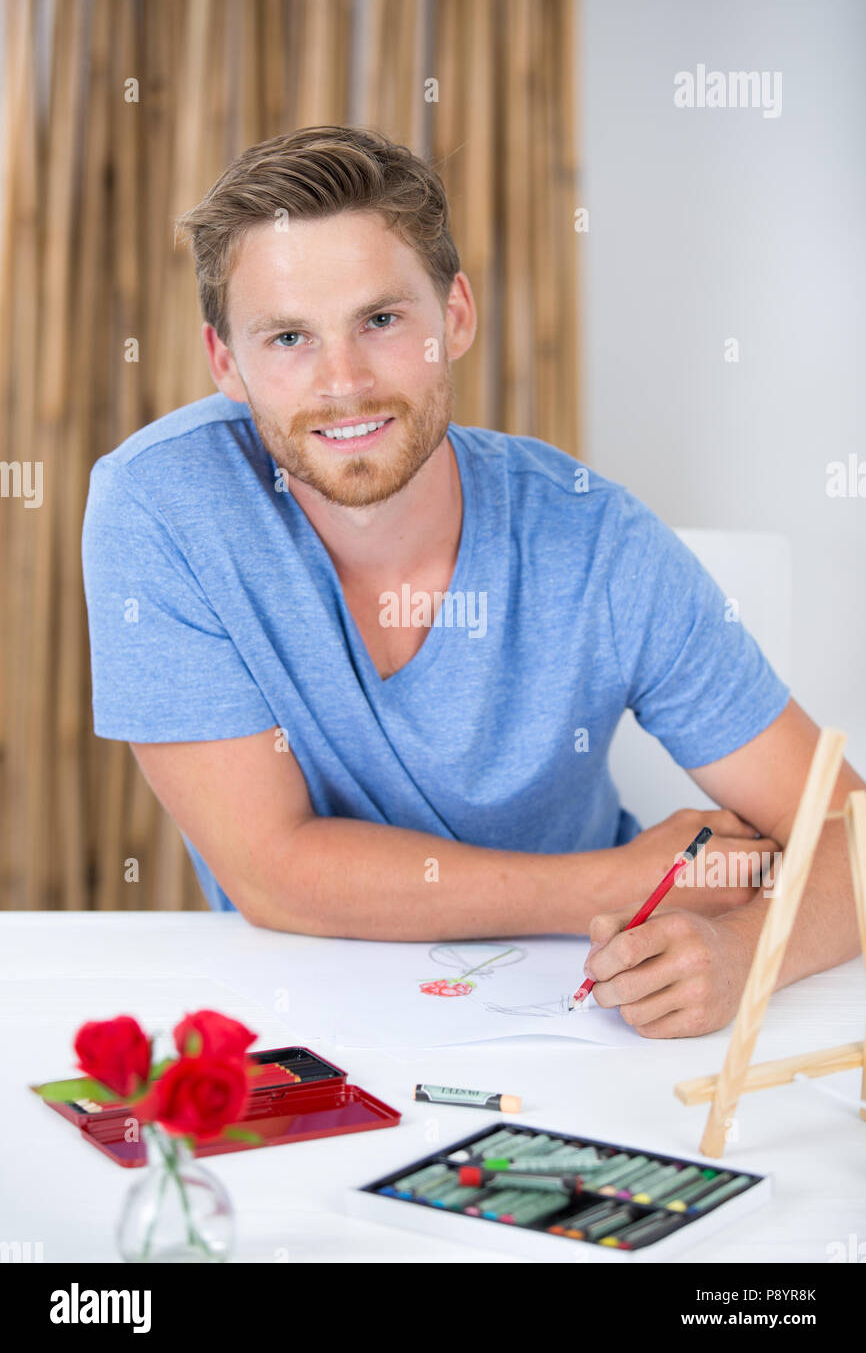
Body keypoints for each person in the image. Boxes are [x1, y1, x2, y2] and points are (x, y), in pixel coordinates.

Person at [82, 126, 865, 1037]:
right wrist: (617, 880)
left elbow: (849, 831)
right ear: (227, 364)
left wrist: (743, 957)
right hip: (307, 1012)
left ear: (454, 316)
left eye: (381, 320)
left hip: (592, 1001)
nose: (343, 384)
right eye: (289, 337)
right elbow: (271, 871)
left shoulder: (598, 542)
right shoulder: (161, 505)